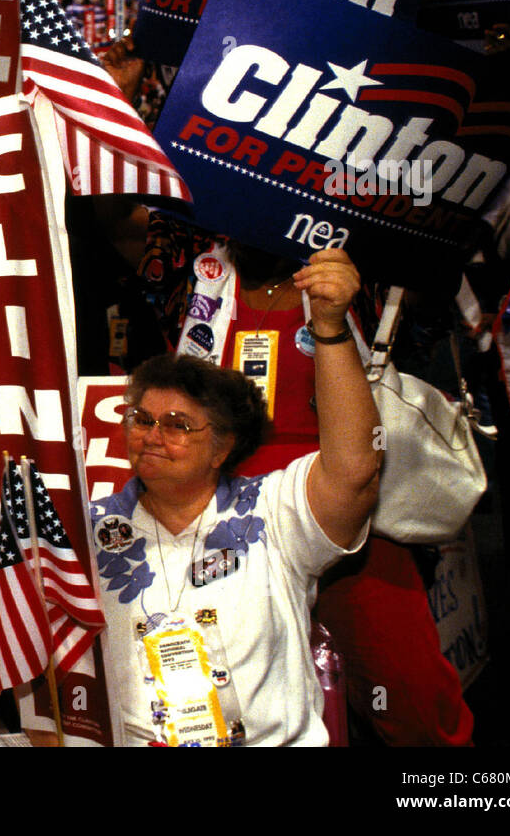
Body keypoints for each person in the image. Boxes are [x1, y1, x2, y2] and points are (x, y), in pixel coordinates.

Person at [89, 248, 381, 746]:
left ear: (223, 446)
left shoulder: (273, 511)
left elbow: (354, 470)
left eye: (178, 425)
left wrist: (330, 329)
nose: (152, 436)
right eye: (141, 419)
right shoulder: (89, 528)